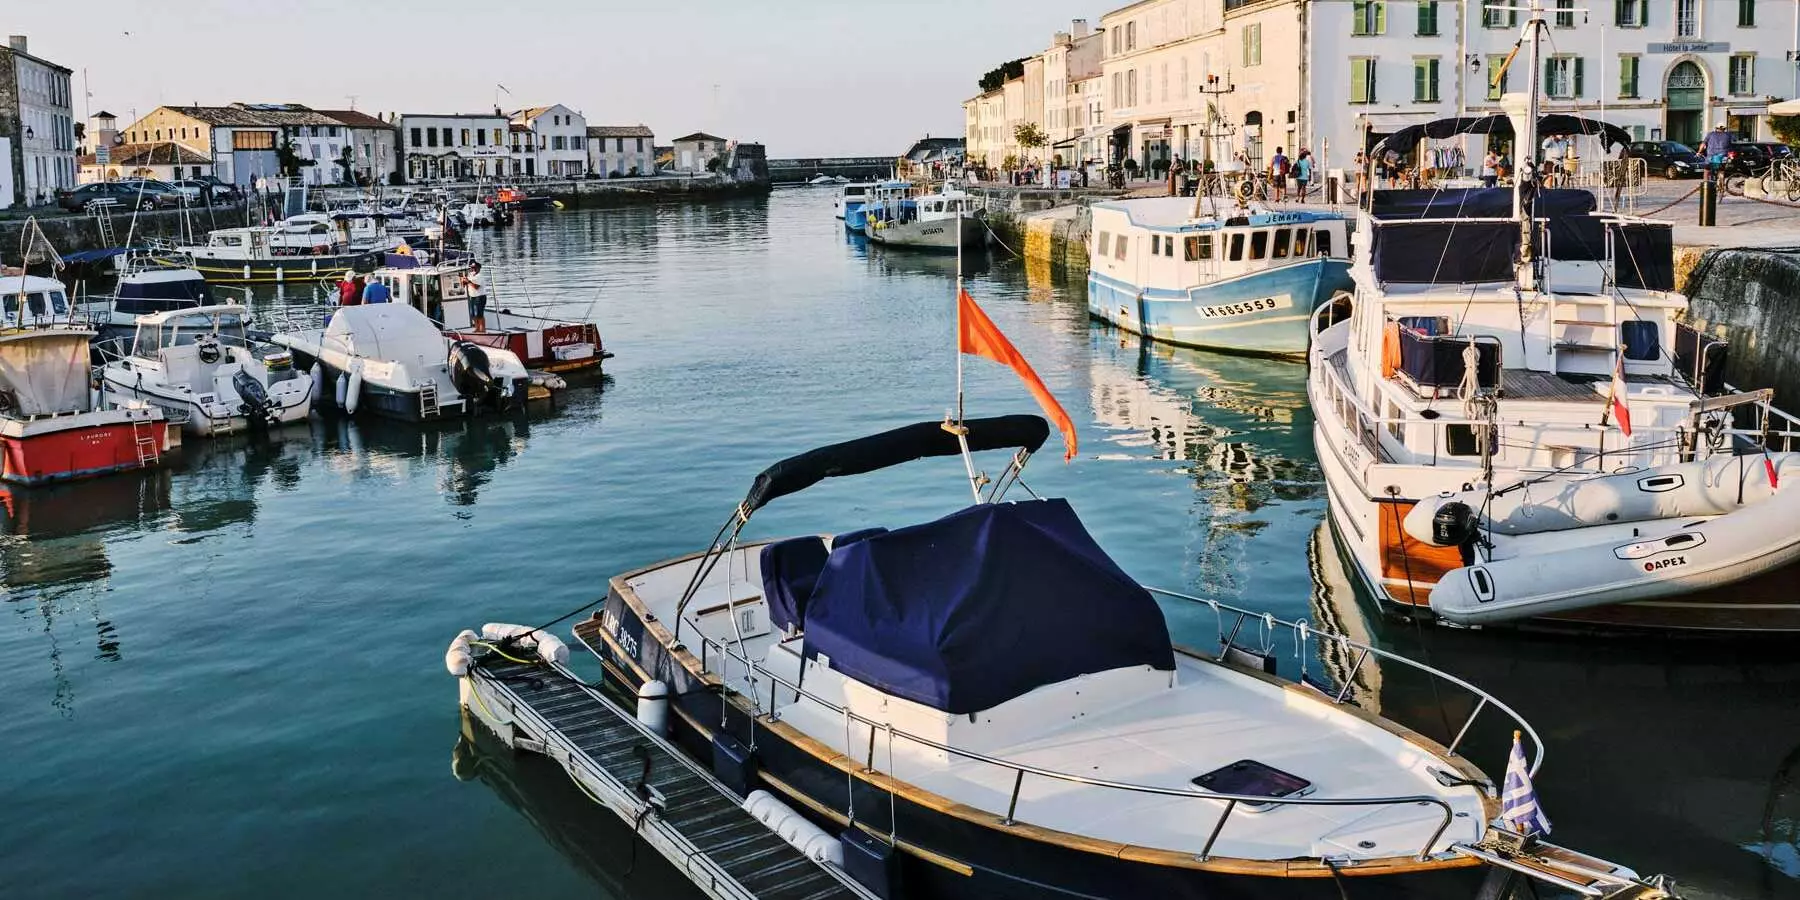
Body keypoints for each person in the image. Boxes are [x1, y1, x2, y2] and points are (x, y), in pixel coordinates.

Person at [464, 261, 488, 333]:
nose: (473, 269)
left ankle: (483, 329)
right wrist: (463, 280)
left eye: (474, 268)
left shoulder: (480, 276)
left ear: (478, 268)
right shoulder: (470, 275)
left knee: (479, 314)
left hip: (480, 297)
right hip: (473, 297)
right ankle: (477, 328)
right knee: (472, 314)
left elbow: (476, 287)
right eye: (472, 268)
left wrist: (468, 282)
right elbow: (465, 284)